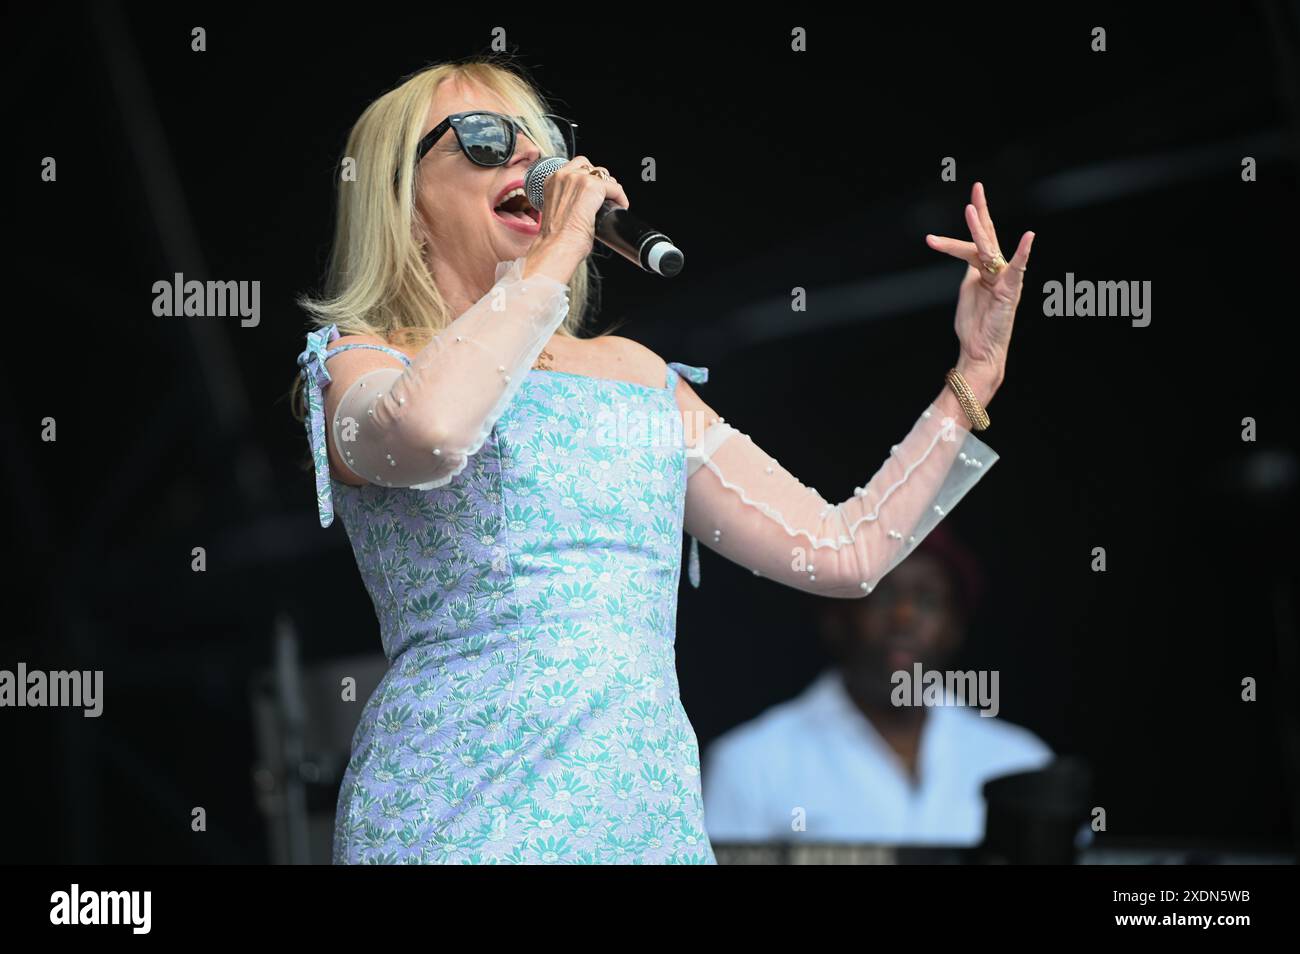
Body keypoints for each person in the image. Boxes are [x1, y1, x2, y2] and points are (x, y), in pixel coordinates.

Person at [290, 55, 1035, 864]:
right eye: (482, 139)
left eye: (541, 143)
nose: (530, 164)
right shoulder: (361, 364)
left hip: (639, 828)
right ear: (402, 196)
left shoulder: (635, 376)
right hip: (455, 820)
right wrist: (553, 260)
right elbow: (431, 432)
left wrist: (973, 376)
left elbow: (843, 550)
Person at [701, 525, 1053, 846]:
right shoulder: (751, 766)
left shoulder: (1022, 764)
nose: (904, 617)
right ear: (836, 618)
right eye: (882, 595)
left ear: (955, 629)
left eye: (927, 599)